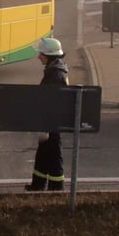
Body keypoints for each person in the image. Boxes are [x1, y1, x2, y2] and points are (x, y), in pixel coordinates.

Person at [27, 38, 69, 192]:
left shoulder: (55, 75)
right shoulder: (55, 70)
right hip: (50, 122)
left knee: (53, 153)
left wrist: (46, 125)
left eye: (41, 54)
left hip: (53, 123)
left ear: (48, 55)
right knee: (44, 153)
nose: (39, 57)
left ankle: (56, 187)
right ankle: (38, 184)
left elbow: (50, 101)